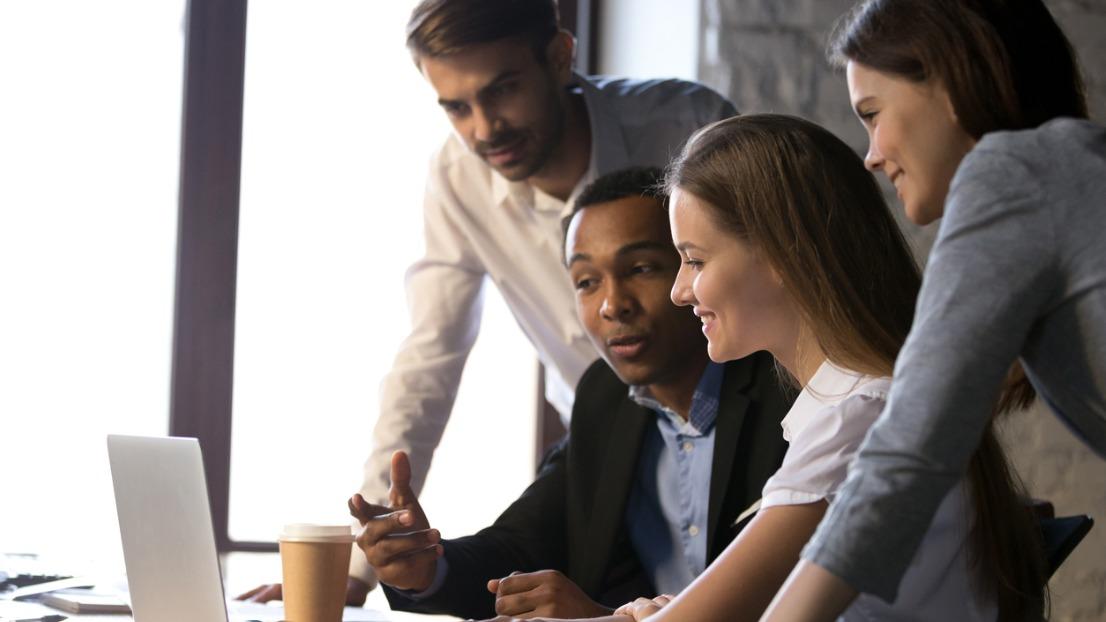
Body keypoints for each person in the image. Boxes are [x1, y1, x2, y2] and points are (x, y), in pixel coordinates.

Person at [239, 0, 736, 604]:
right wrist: (368, 559)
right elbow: (430, 355)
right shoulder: (458, 178)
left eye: (501, 91)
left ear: (559, 57)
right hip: (608, 436)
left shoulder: (688, 126)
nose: (483, 128)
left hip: (735, 414)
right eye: (455, 107)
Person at [558, 114, 1042, 622]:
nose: (681, 291)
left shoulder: (856, 420)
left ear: (780, 253)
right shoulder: (853, 407)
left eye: (695, 261)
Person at [760, 2, 1105, 619]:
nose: (870, 153)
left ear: (948, 83)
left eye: (872, 113)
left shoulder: (1009, 175)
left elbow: (910, 454)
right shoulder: (1065, 168)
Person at [346, 167, 791, 620]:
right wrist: (425, 568)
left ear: (693, 270)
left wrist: (600, 617)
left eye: (640, 269)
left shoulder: (787, 390)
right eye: (586, 282)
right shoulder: (606, 396)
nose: (612, 304)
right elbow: (521, 543)